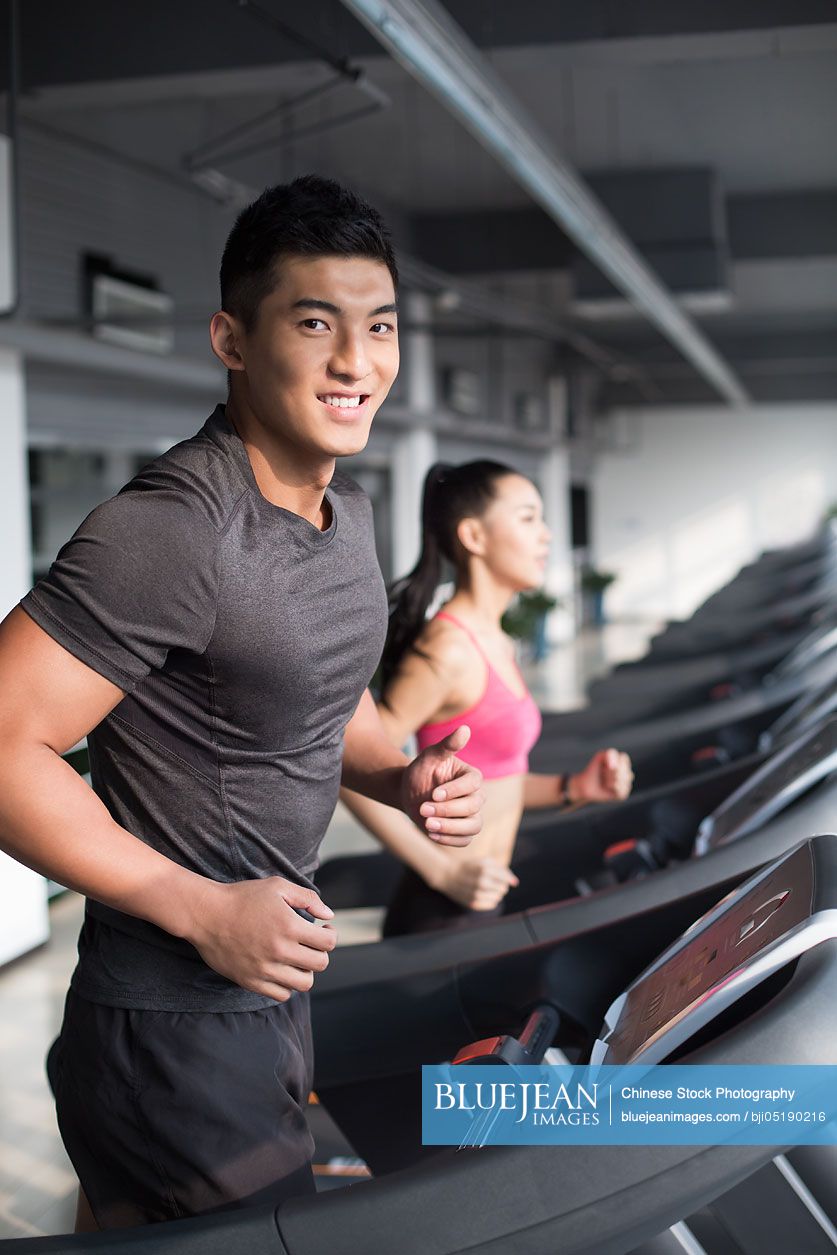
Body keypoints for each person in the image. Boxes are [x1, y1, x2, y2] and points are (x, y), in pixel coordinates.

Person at [0, 177, 484, 1229]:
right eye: (316, 323)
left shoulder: (344, 513)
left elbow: (318, 701)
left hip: (263, 995)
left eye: (380, 326)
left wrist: (402, 775)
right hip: (171, 1022)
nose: (357, 362)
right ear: (232, 338)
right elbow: (2, 747)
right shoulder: (171, 530)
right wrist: (202, 908)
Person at [341, 461, 634, 936]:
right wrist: (444, 872)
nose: (546, 535)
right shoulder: (450, 647)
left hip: (481, 898)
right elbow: (347, 769)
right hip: (442, 906)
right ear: (474, 536)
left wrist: (574, 787)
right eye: (527, 517)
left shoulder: (493, 638)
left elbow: (497, 781)